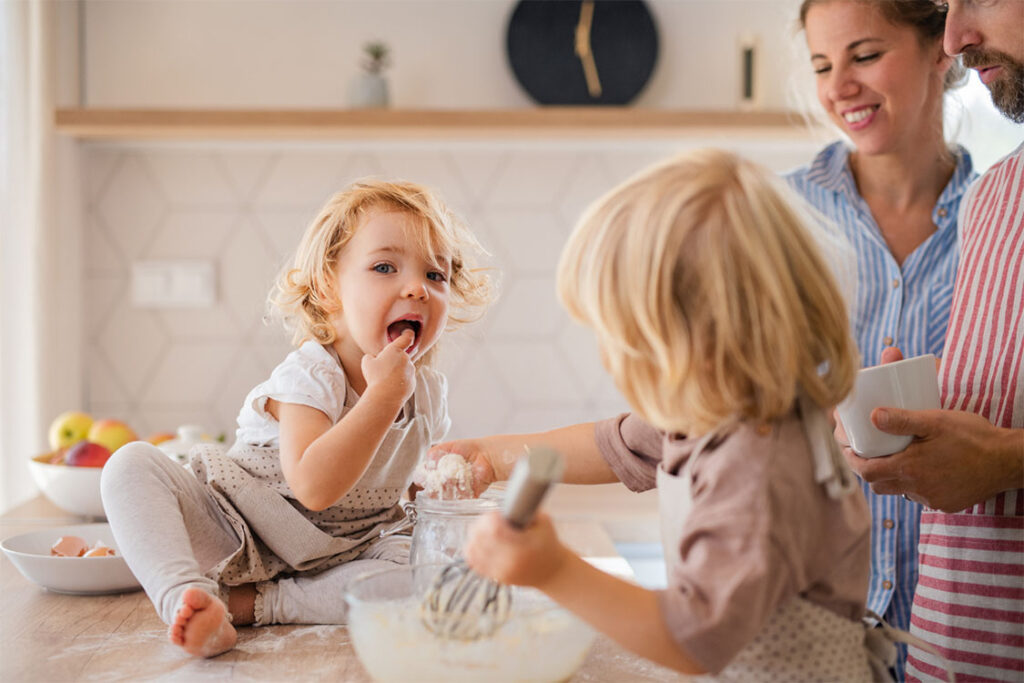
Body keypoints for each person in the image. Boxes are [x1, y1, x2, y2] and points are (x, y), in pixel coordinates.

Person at [436, 148, 888, 679]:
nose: (608, 357)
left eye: (620, 338)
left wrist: (553, 568)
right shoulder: (721, 412)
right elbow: (612, 446)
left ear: (696, 342)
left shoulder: (758, 466)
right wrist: (493, 454)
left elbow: (695, 638)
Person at [100, 180, 493, 657]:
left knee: (431, 581)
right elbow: (313, 485)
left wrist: (443, 506)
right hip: (237, 531)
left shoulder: (427, 394)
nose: (417, 288)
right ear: (329, 289)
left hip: (348, 550)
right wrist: (381, 399)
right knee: (131, 466)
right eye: (385, 267)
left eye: (436, 276)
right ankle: (187, 593)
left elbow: (403, 487)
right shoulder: (312, 374)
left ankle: (257, 604)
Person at [783, 1, 976, 676]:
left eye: (864, 56)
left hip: (958, 626)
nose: (838, 87)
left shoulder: (1001, 222)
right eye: (821, 65)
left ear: (941, 49)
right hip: (810, 624)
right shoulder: (780, 219)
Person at [839, 0, 1024, 679]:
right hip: (947, 658)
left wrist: (1009, 460)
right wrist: (909, 411)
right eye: (947, 7)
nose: (955, 38)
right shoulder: (997, 194)